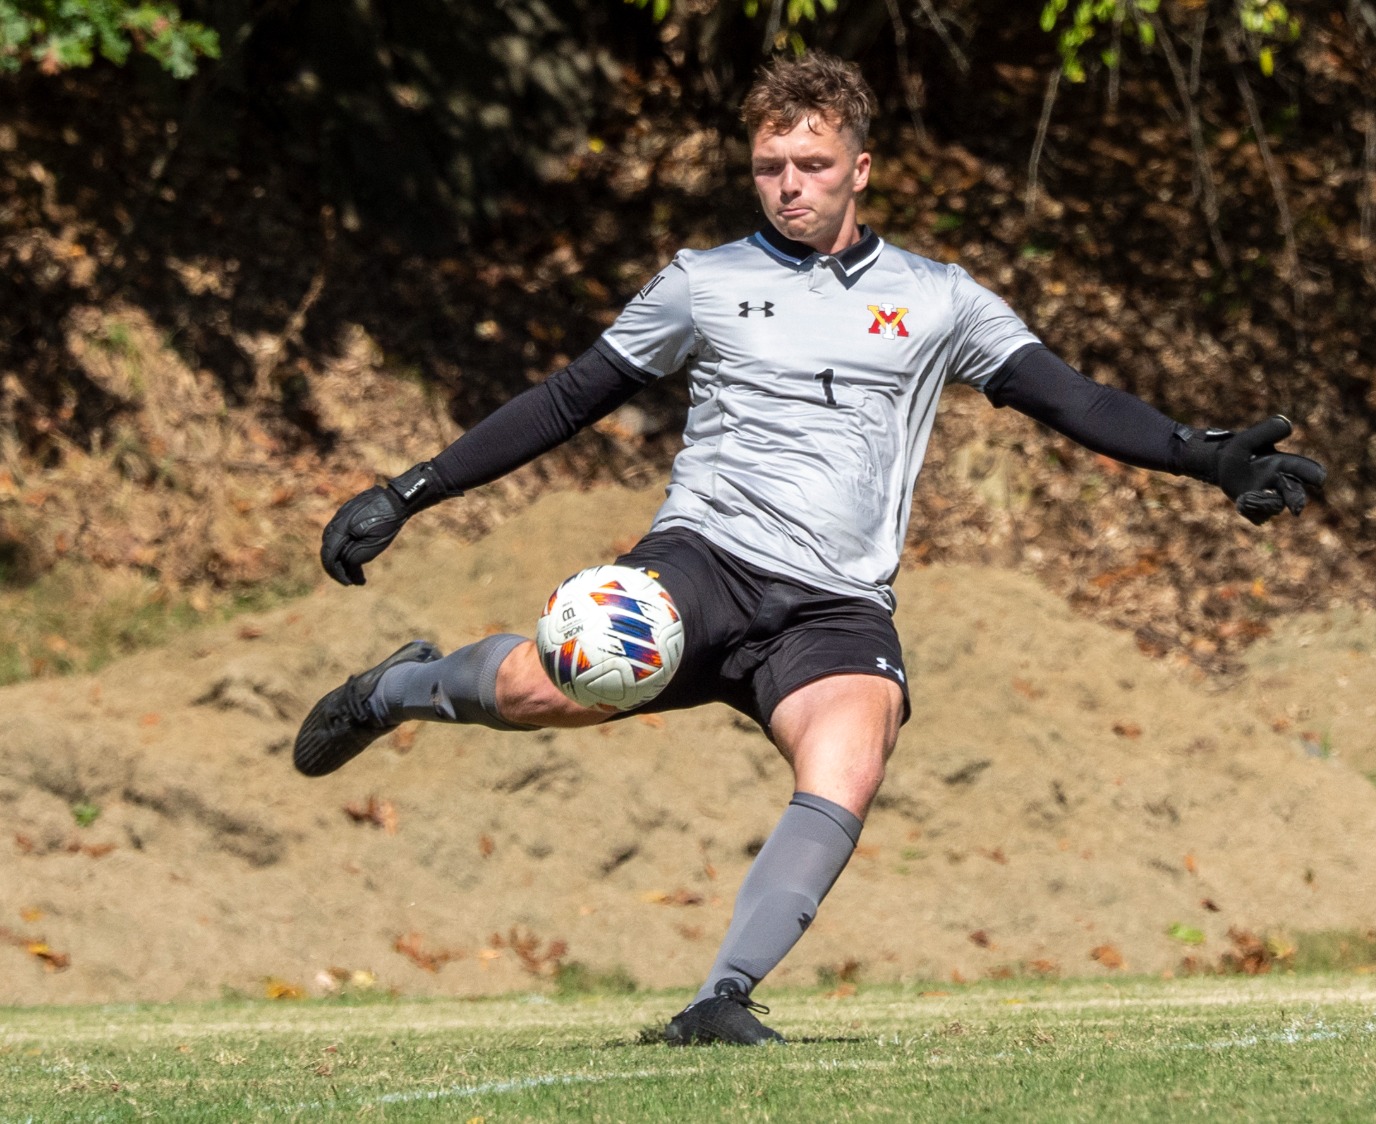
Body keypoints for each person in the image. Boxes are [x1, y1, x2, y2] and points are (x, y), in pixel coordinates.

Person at [294, 51, 1324, 1046]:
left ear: (859, 168)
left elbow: (1074, 399)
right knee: (536, 689)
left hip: (835, 603)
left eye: (812, 164)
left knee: (852, 755)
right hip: (701, 563)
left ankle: (720, 998)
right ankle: (396, 690)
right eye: (769, 166)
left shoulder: (940, 297)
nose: (789, 185)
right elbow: (569, 398)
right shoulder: (702, 281)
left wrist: (1202, 455)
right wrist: (410, 489)